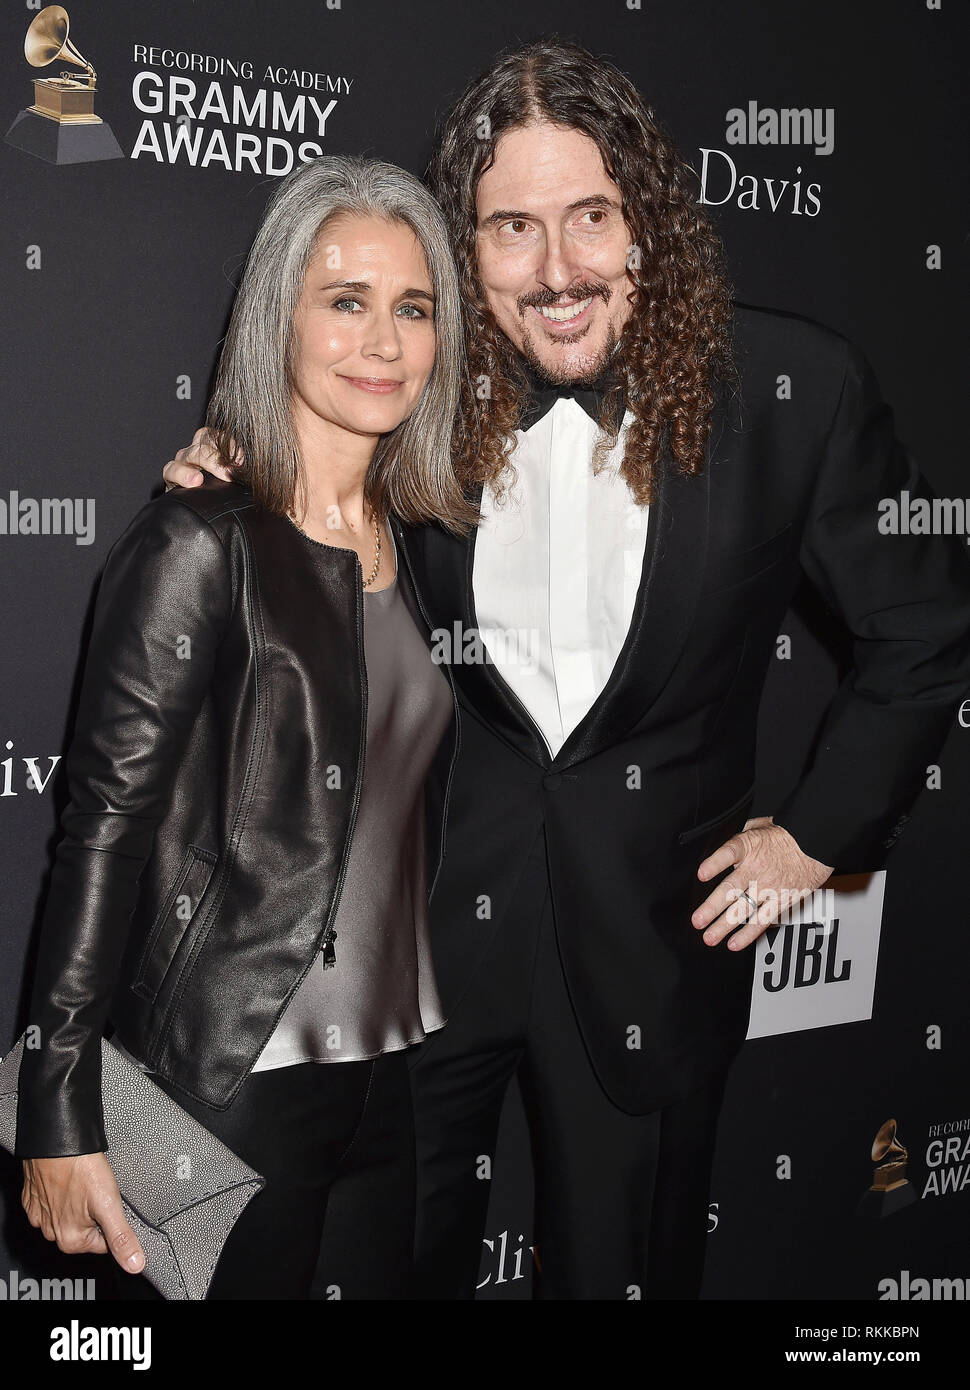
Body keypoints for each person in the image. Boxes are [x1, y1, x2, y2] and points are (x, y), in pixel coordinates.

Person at [163, 39, 970, 1300]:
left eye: (590, 218)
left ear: (645, 221)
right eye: (510, 229)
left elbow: (923, 632)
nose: (555, 273)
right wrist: (232, 458)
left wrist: (815, 837)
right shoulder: (416, 389)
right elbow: (303, 442)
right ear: (464, 252)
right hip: (421, 948)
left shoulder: (793, 392)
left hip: (653, 942)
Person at [15, 153, 479, 1300]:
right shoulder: (198, 543)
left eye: (412, 308)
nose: (382, 340)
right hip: (224, 1086)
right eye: (346, 301)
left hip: (391, 1077)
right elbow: (102, 834)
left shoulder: (422, 551)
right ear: (279, 316)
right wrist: (57, 1108)